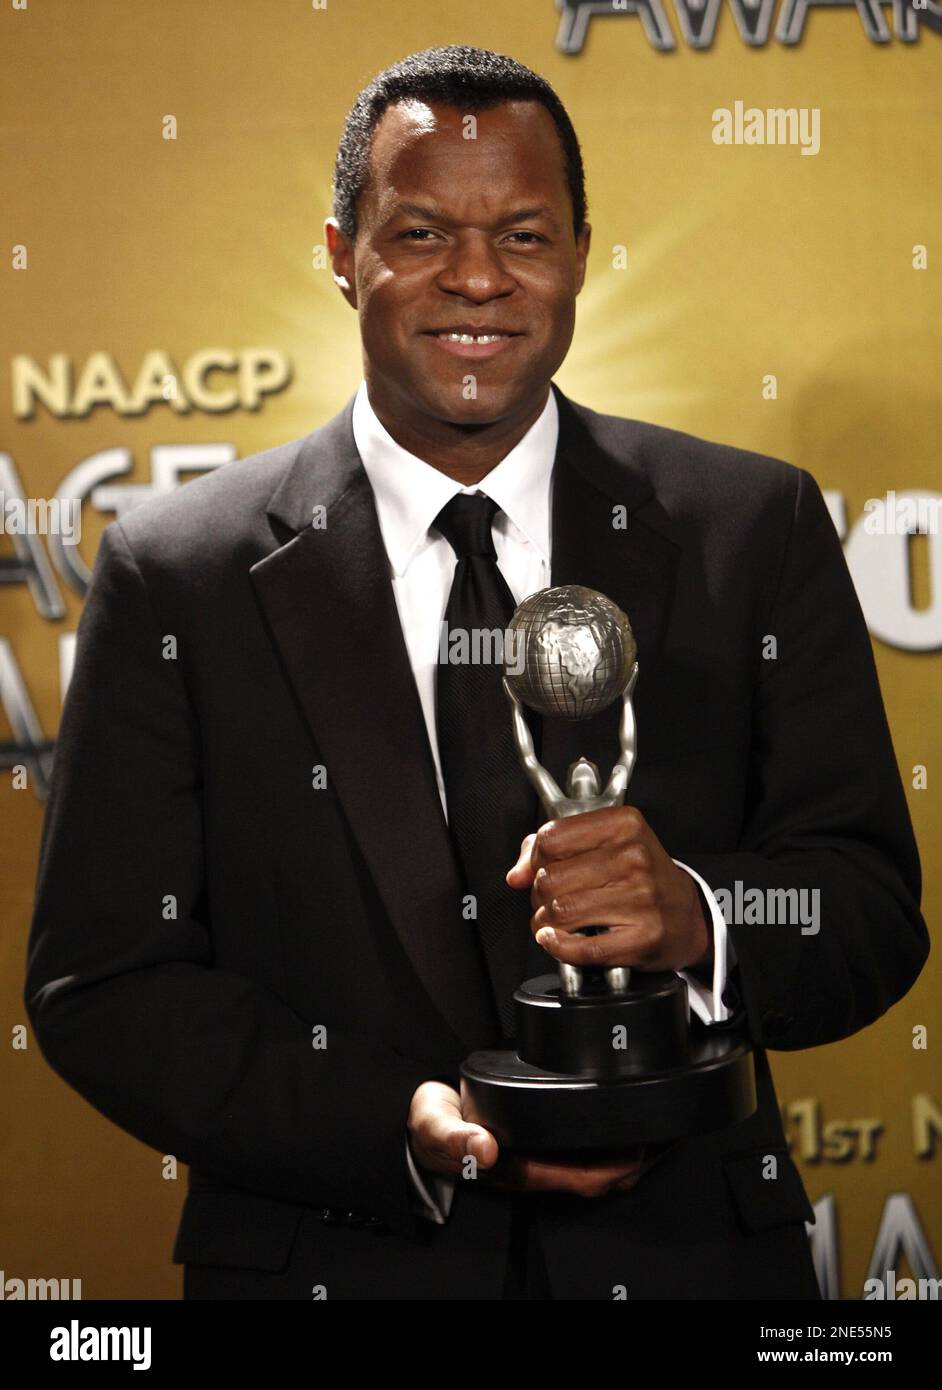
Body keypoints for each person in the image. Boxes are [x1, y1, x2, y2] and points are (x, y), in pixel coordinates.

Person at [25, 45, 928, 1301]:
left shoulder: (750, 526)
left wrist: (701, 915)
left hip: (695, 1268)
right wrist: (394, 1123)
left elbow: (871, 910)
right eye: (419, 231)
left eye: (523, 233)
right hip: (336, 1267)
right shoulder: (180, 574)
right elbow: (103, 985)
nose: (476, 278)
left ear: (579, 253)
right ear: (340, 253)